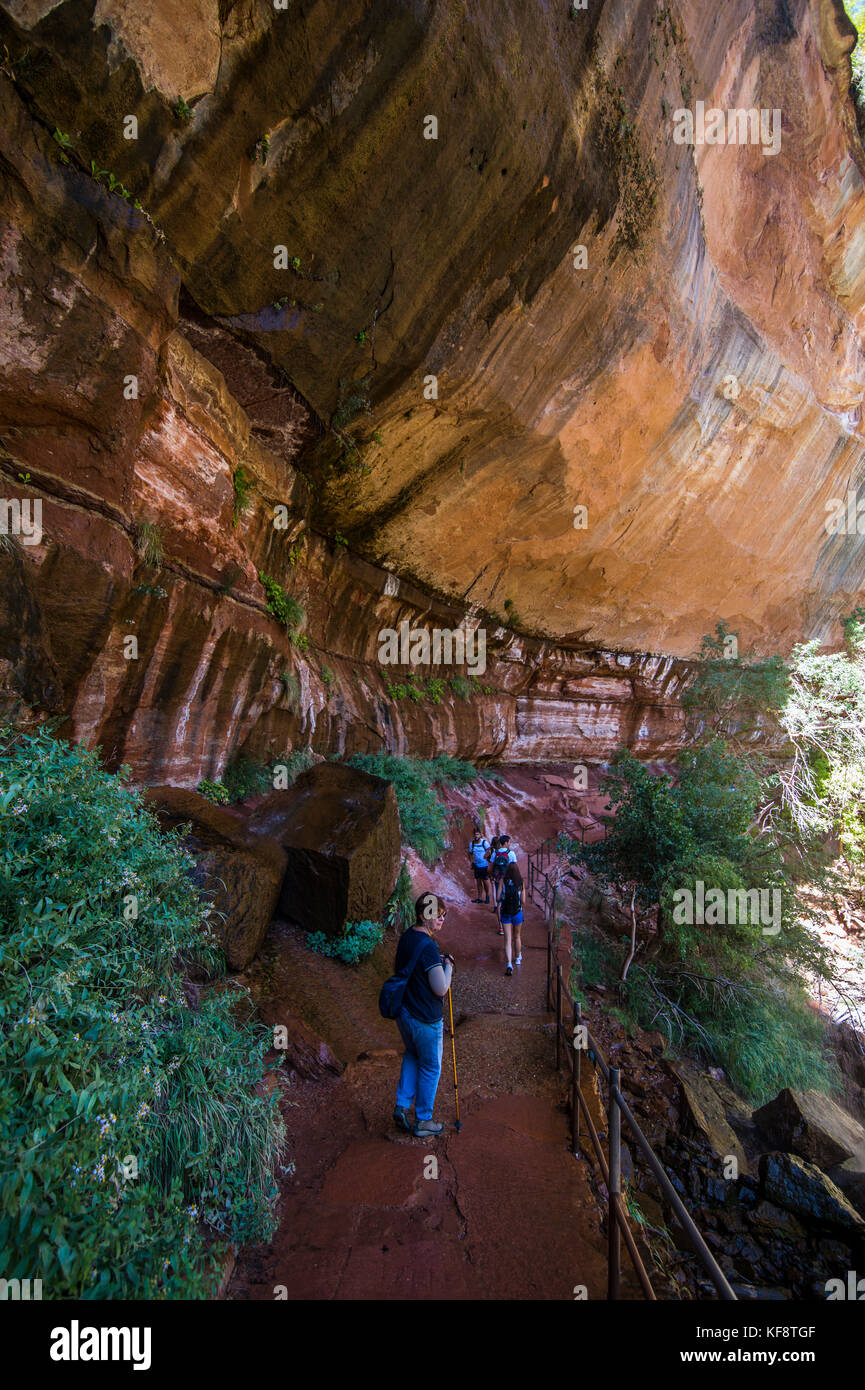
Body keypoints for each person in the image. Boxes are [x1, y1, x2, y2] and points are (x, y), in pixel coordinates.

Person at [393, 892, 454, 1138]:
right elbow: (441, 988)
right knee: (430, 1065)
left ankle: (401, 1105)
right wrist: (448, 967)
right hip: (425, 1019)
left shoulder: (407, 936)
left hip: (404, 1013)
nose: (440, 920)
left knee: (412, 1053)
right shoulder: (429, 946)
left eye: (442, 915)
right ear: (423, 915)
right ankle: (423, 1120)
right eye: (436, 915)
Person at [499, 863, 524, 976]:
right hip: (517, 912)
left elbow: (498, 897)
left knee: (507, 939)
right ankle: (517, 958)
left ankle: (509, 963)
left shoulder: (502, 881)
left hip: (505, 912)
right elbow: (523, 901)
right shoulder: (520, 883)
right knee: (517, 936)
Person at [468, 826, 492, 905]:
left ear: (481, 835)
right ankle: (479, 898)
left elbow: (489, 850)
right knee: (478, 881)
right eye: (475, 834)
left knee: (485, 881)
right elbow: (470, 853)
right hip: (476, 865)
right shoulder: (472, 844)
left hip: (484, 865)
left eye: (478, 834)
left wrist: (486, 855)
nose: (476, 836)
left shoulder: (484, 842)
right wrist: (471, 861)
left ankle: (487, 896)